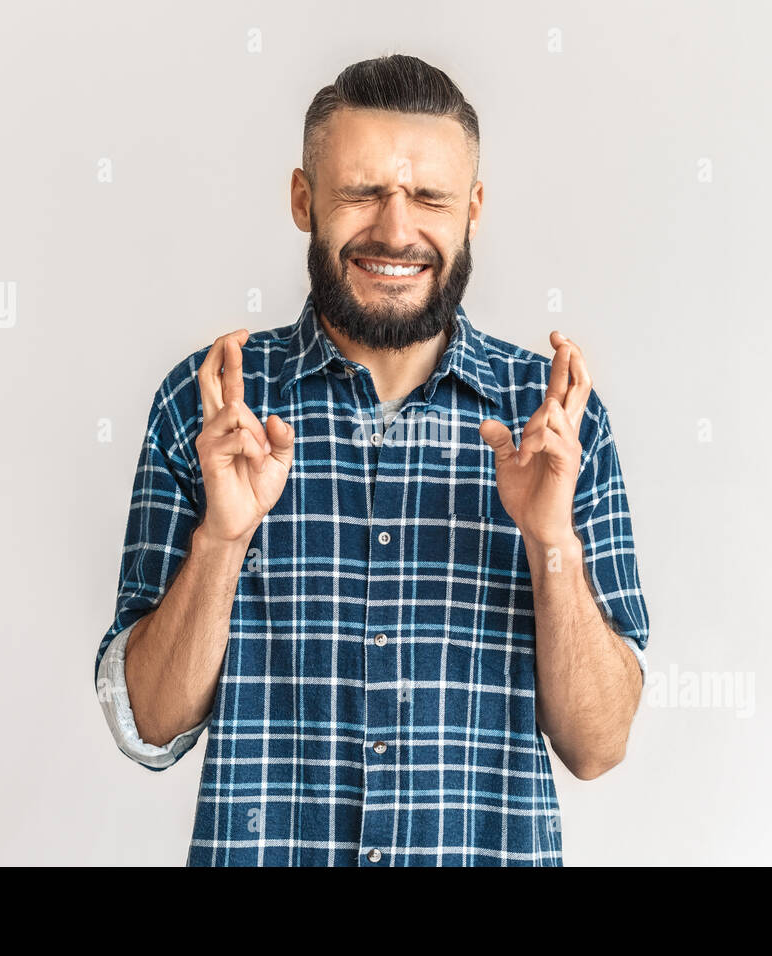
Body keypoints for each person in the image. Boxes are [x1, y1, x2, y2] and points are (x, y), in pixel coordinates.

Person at [95, 53, 650, 866]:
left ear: (473, 211)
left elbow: (598, 746)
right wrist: (221, 540)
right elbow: (148, 723)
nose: (396, 229)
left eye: (429, 197)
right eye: (362, 193)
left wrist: (550, 543)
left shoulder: (556, 420)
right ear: (302, 199)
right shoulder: (212, 403)